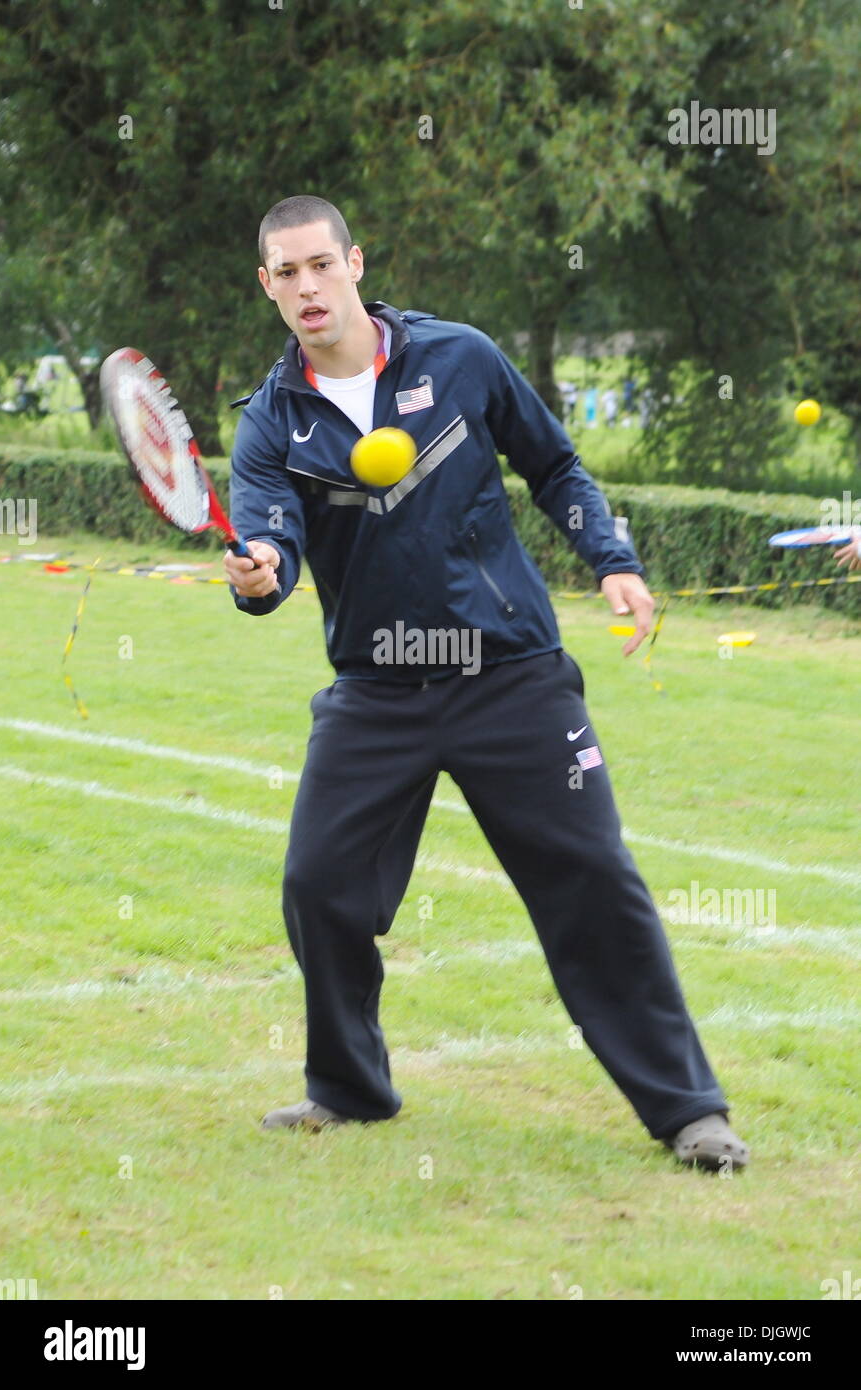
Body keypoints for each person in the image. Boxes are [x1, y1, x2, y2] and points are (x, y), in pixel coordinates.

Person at [223, 194, 749, 1171]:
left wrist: (612, 559)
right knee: (318, 884)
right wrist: (257, 574)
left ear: (354, 263)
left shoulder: (459, 357)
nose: (307, 286)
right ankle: (350, 1088)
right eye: (286, 272)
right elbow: (270, 543)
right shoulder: (271, 421)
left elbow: (555, 466)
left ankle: (689, 1112)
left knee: (594, 884)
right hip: (376, 688)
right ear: (267, 285)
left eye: (321, 264)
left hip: (510, 675)